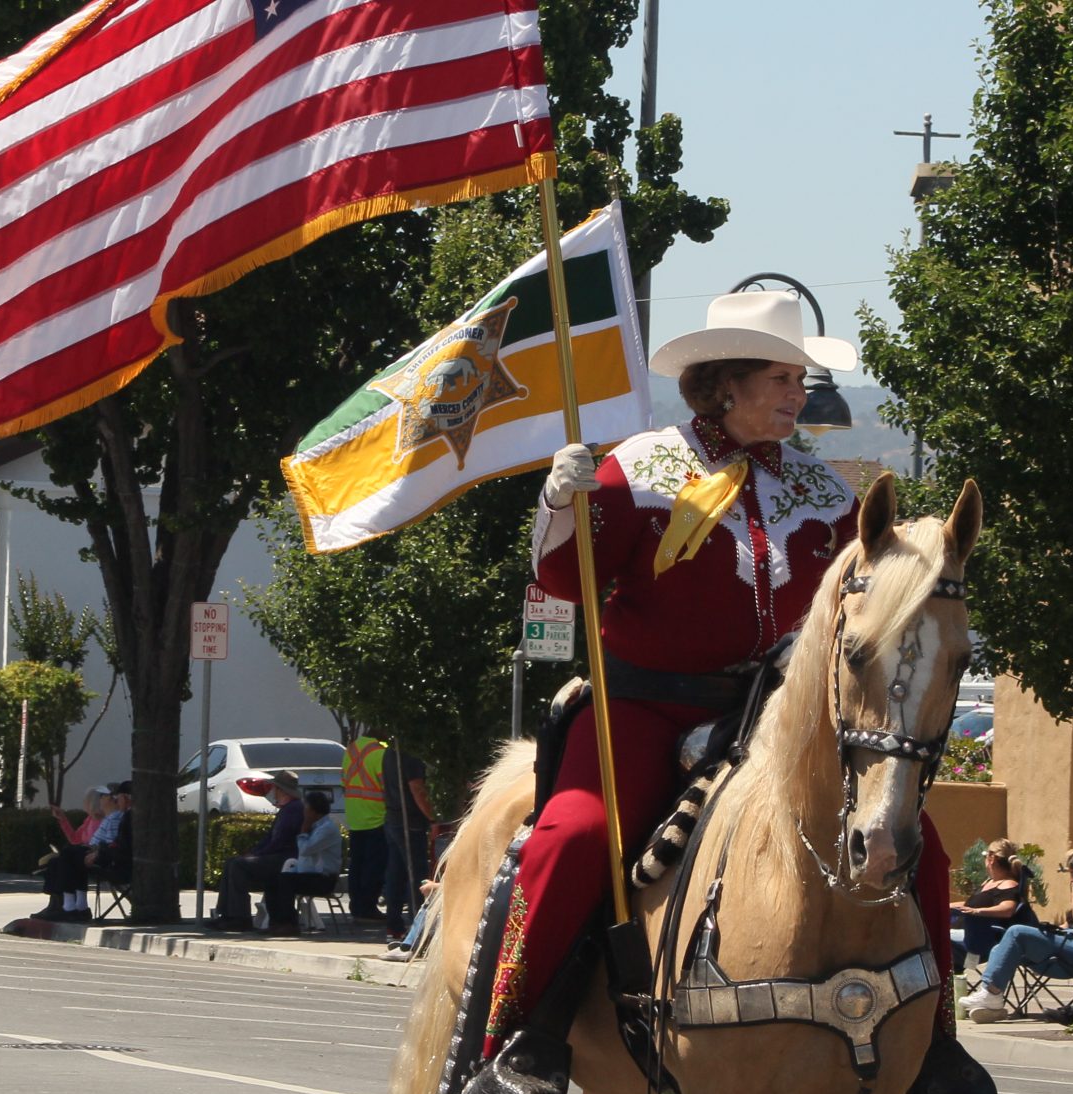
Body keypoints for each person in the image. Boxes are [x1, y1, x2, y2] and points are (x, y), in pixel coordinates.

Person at [479, 290, 956, 1055]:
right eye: (782, 379)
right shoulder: (638, 468)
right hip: (642, 711)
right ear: (725, 382)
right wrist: (559, 504)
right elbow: (567, 578)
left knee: (916, 840)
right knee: (574, 839)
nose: (799, 396)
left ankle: (934, 1051)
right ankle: (506, 1038)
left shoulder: (830, 492)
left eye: (801, 381)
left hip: (773, 718)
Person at [965, 848, 1073, 1023]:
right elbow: (1068, 925)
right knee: (1003, 945)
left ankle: (992, 993)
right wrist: (1051, 930)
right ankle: (991, 1001)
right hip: (1067, 943)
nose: (1072, 880)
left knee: (1016, 931)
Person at [209, 771, 304, 932]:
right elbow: (269, 839)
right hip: (278, 855)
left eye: (275, 788)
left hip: (286, 858)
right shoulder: (286, 810)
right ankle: (227, 914)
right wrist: (253, 852)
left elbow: (279, 842)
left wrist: (257, 855)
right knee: (232, 862)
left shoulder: (293, 810)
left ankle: (240, 917)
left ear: (281, 790)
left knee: (239, 866)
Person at [37, 783, 130, 921]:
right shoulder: (95, 819)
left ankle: (69, 906)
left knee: (67, 856)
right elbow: (76, 839)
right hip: (94, 852)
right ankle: (64, 904)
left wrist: (96, 852)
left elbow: (111, 842)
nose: (100, 799)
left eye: (103, 796)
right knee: (63, 858)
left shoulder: (113, 818)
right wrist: (62, 819)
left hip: (101, 855)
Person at [261, 790, 344, 936]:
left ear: (313, 811)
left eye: (306, 809)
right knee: (272, 879)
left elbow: (306, 849)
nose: (303, 813)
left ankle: (289, 924)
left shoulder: (327, 829)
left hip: (323, 878)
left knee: (286, 882)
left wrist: (304, 831)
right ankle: (277, 922)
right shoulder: (317, 827)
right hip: (308, 874)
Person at [379, 742, 435, 953]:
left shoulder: (390, 752)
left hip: (393, 818)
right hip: (409, 822)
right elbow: (417, 789)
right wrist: (433, 817)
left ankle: (394, 927)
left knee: (396, 874)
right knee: (417, 875)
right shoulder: (410, 755)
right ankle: (418, 927)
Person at [949, 840, 1035, 972]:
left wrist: (977, 911)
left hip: (979, 939)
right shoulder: (990, 882)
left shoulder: (1007, 884)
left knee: (935, 939)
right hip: (964, 932)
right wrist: (944, 906)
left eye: (985, 857)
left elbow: (1008, 909)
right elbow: (968, 905)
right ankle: (954, 976)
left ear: (991, 858)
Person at [342, 731, 391, 926]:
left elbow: (345, 782)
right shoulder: (380, 753)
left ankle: (357, 906)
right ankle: (368, 908)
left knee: (357, 865)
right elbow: (388, 787)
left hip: (355, 817)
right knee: (374, 867)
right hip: (376, 816)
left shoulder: (351, 750)